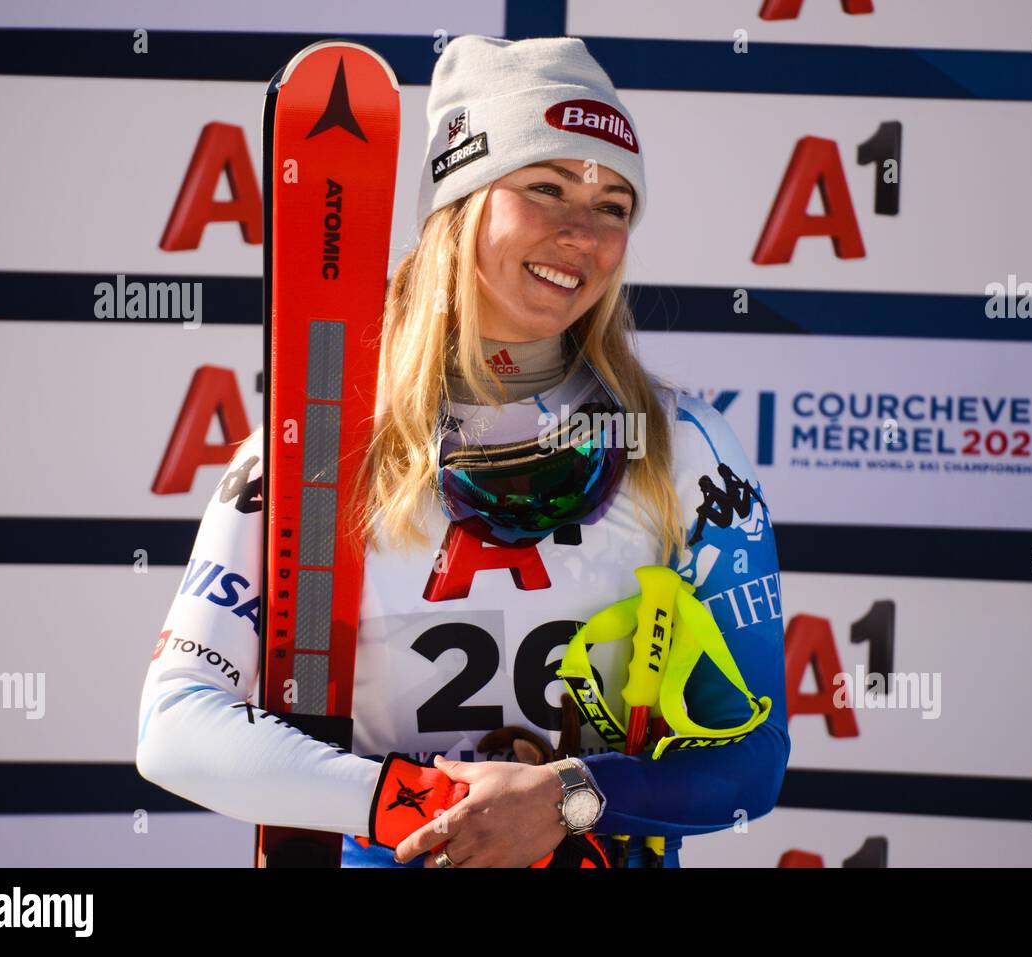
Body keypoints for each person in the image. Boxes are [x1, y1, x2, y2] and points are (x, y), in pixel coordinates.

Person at [136, 34, 789, 868]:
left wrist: (567, 798)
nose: (580, 233)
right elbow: (177, 724)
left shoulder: (682, 445)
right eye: (545, 188)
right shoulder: (321, 441)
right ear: (461, 200)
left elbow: (754, 755)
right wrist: (439, 806)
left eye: (613, 206)